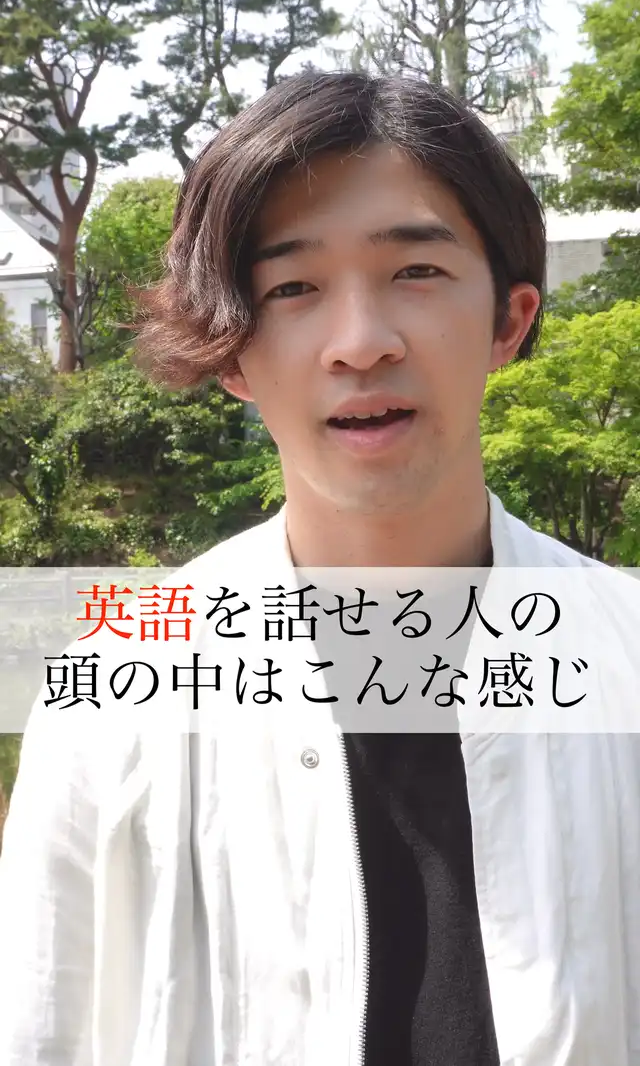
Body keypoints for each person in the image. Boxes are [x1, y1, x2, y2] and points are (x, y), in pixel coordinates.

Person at [1, 70, 640, 1066]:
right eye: (292, 288)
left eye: (416, 270)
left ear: (509, 320)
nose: (361, 344)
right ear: (233, 355)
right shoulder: (116, 702)